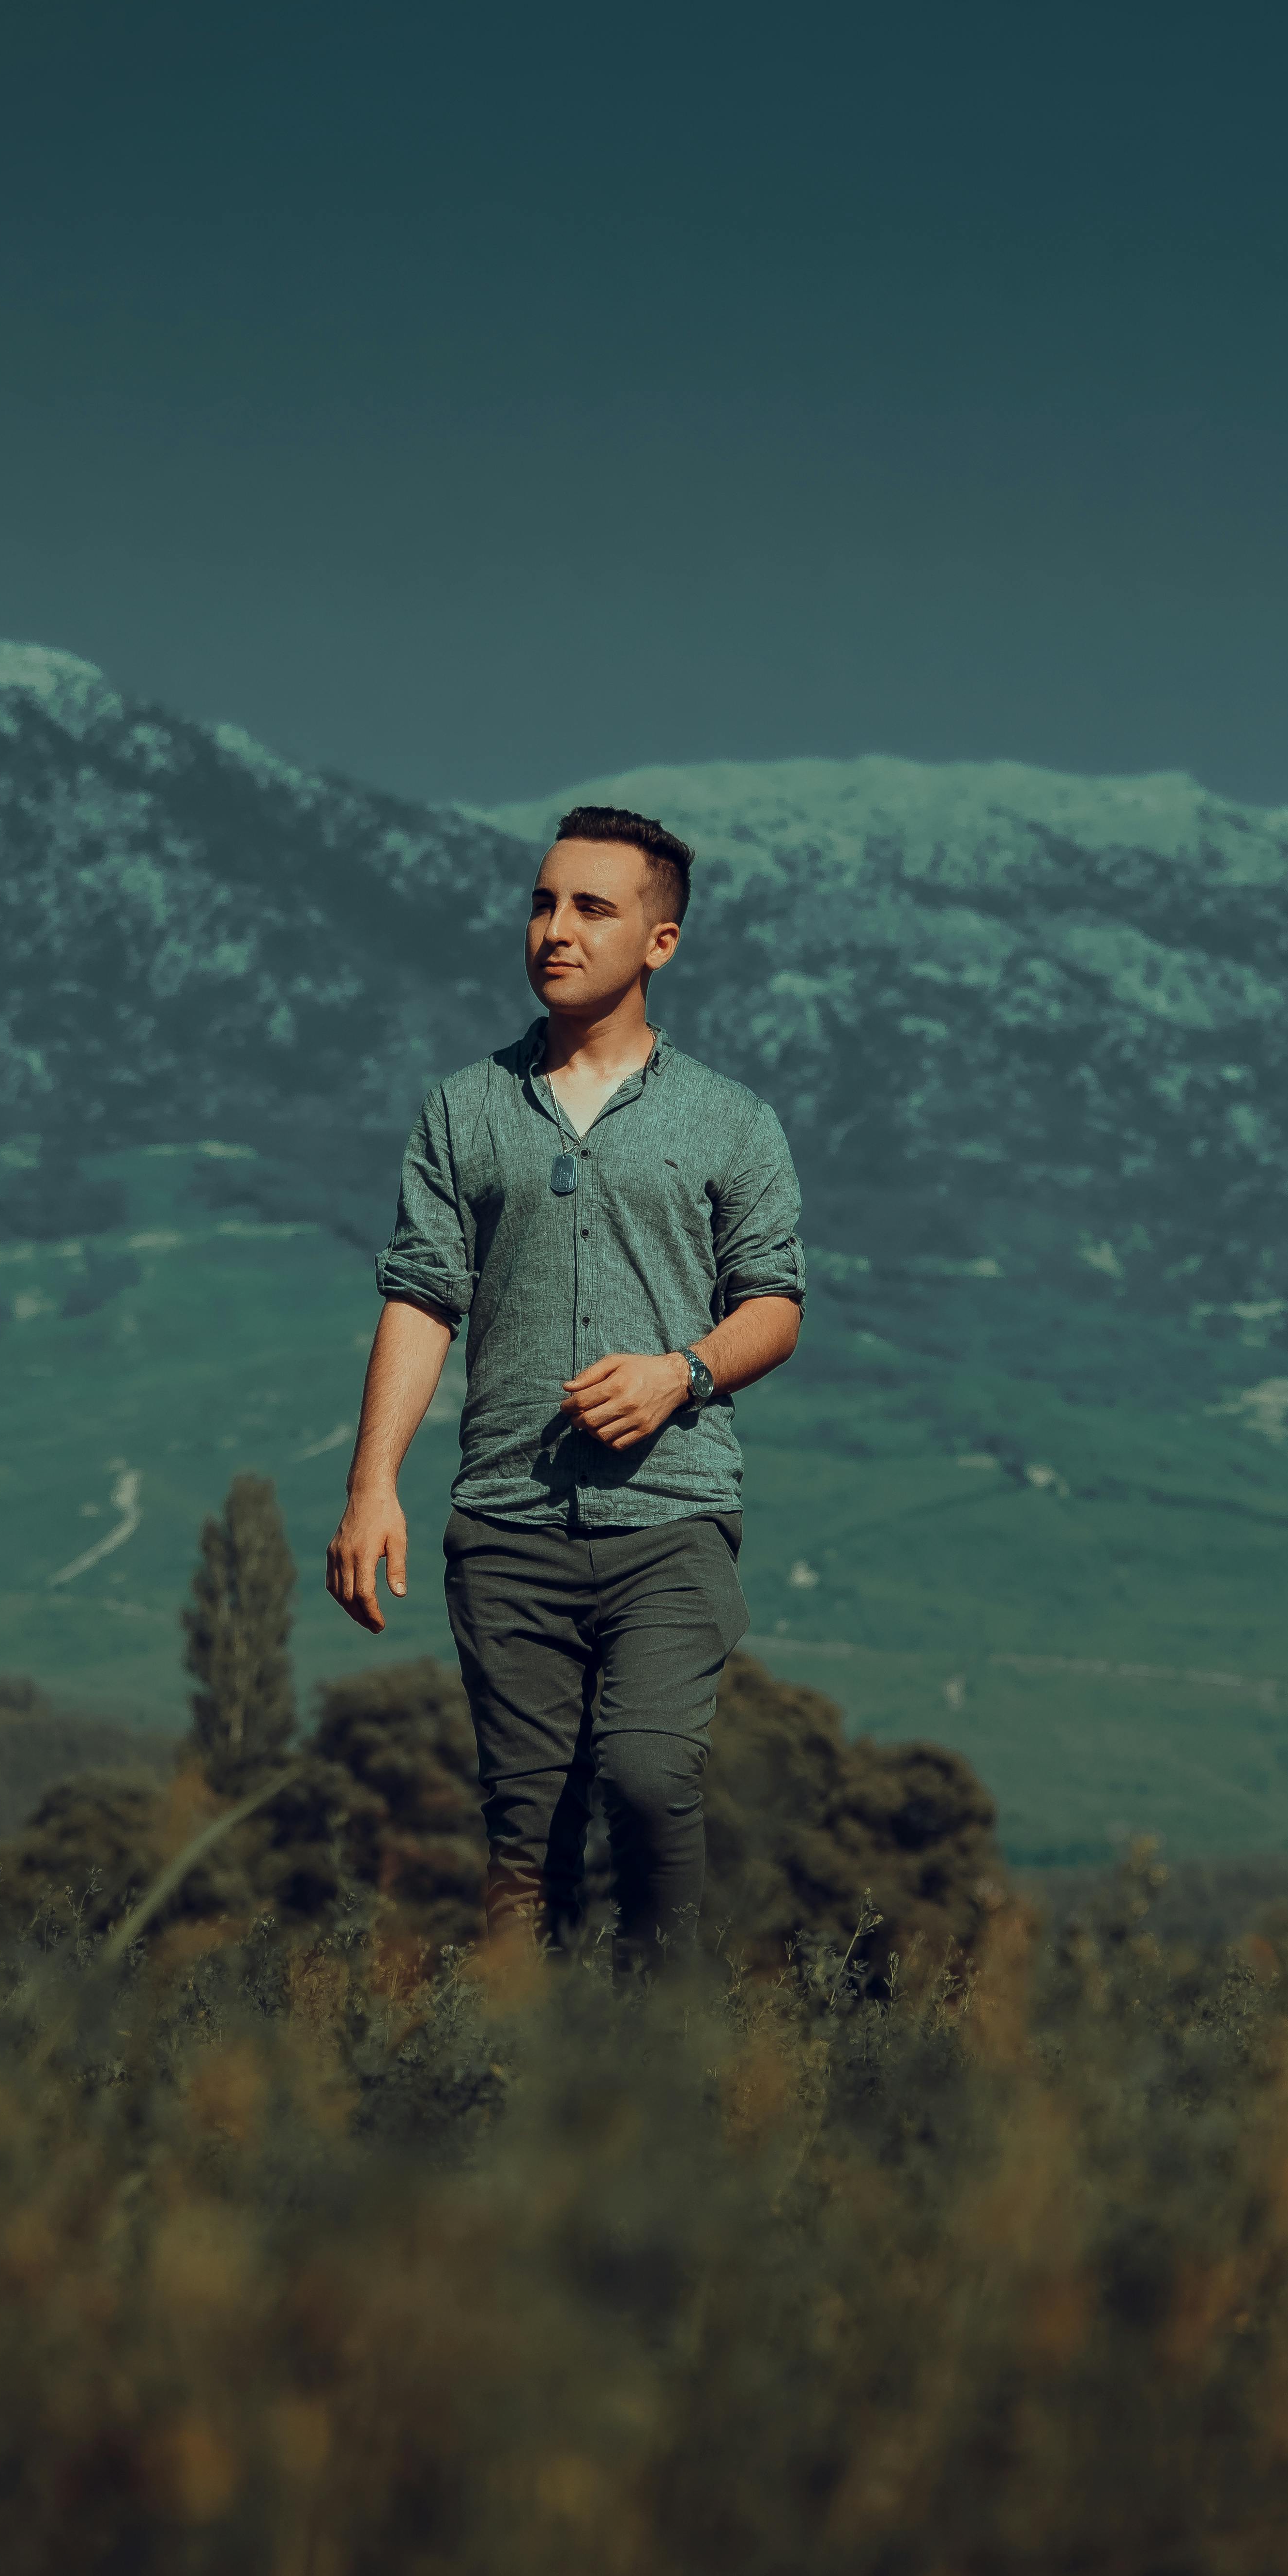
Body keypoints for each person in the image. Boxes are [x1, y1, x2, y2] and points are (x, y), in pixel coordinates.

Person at [326, 804, 805, 1969]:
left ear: (660, 942)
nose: (555, 928)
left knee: (647, 1778)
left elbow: (775, 1306)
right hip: (506, 1524)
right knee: (524, 1837)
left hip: (671, 1519)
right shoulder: (462, 1109)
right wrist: (371, 1486)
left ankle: (664, 2072)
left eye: (592, 907)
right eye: (542, 902)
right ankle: (517, 2092)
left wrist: (678, 1374)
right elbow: (421, 1295)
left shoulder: (731, 1122)